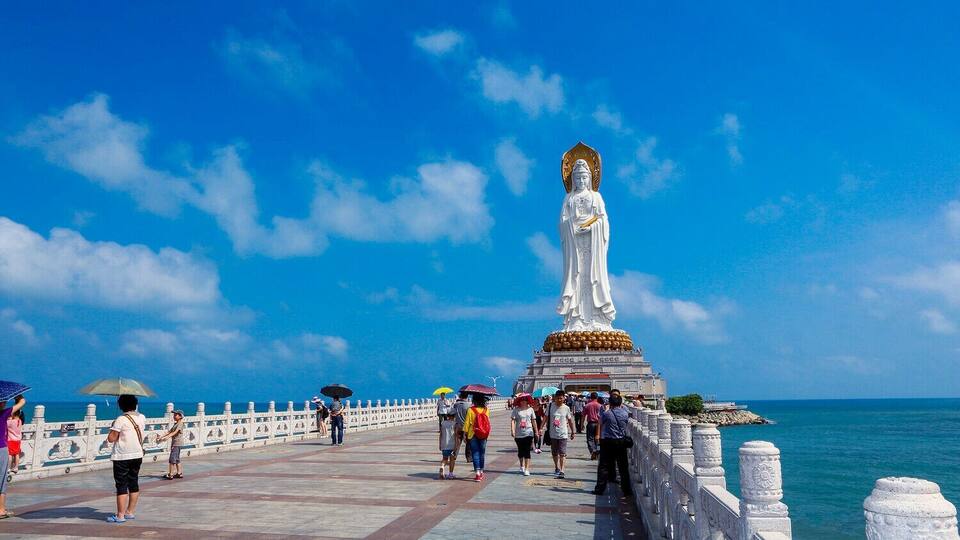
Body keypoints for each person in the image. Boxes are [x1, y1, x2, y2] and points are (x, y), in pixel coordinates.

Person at [106, 394, 146, 523]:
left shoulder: (120, 419)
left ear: (121, 405)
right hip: (137, 454)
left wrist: (112, 427)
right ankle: (130, 512)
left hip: (122, 456)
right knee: (133, 483)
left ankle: (120, 515)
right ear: (135, 404)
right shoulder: (142, 417)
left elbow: (111, 438)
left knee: (121, 485)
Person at [592, 394, 633, 497]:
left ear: (610, 403)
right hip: (621, 442)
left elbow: (600, 423)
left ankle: (600, 489)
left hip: (608, 442)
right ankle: (627, 490)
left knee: (603, 466)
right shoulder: (625, 413)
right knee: (623, 467)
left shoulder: (607, 414)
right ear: (620, 403)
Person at [0, 395, 26, 519]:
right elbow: (22, 402)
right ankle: (1, 510)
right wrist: (18, 396)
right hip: (1, 449)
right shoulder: (4, 413)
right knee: (1, 479)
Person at [462, 394, 490, 482]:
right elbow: (487, 423)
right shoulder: (486, 410)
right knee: (482, 453)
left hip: (472, 434)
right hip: (483, 434)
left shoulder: (471, 410)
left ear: (474, 400)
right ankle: (481, 471)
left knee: (475, 453)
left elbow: (467, 423)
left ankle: (477, 472)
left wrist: (464, 434)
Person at [547, 390, 575, 479]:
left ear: (564, 398)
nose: (559, 400)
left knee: (562, 453)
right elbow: (545, 417)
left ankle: (562, 470)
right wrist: (540, 429)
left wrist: (573, 431)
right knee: (554, 453)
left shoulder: (566, 408)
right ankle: (556, 467)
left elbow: (570, 420)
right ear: (555, 398)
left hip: (563, 434)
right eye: (557, 398)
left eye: (561, 398)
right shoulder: (550, 406)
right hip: (553, 433)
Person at [510, 396, 537, 476]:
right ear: (519, 401)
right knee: (520, 451)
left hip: (529, 432)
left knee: (527, 451)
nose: (523, 401)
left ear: (527, 401)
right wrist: (512, 430)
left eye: (525, 400)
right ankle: (521, 465)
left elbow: (533, 420)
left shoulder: (531, 409)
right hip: (518, 433)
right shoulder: (516, 410)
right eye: (522, 400)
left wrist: (536, 431)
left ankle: (527, 469)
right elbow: (513, 420)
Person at [156, 410, 185, 480]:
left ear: (180, 416)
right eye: (174, 415)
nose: (174, 416)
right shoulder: (176, 424)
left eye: (176, 415)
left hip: (176, 443)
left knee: (172, 459)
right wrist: (161, 436)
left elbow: (175, 432)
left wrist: (167, 437)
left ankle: (171, 474)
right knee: (177, 459)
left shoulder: (180, 423)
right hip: (177, 443)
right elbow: (169, 431)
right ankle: (179, 473)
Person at [452, 392, 472, 463]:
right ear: (467, 397)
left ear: (460, 396)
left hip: (457, 426)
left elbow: (452, 413)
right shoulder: (468, 405)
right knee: (468, 442)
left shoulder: (456, 405)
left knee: (457, 442)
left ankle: (454, 456)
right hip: (466, 426)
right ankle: (469, 458)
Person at [583, 392, 603, 460]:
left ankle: (592, 451)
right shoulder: (600, 406)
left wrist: (582, 424)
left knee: (590, 439)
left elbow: (583, 415)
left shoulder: (587, 405)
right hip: (599, 424)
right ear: (597, 397)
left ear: (590, 397)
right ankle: (597, 451)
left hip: (590, 423)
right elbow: (603, 417)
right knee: (598, 440)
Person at [438, 412, 457, 479]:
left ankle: (442, 466)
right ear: (454, 416)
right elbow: (455, 436)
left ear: (448, 416)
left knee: (445, 458)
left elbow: (441, 434)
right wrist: (456, 445)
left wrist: (440, 444)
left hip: (444, 444)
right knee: (452, 459)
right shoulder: (454, 424)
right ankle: (451, 474)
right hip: (452, 444)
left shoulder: (443, 423)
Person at [7, 408, 24, 474]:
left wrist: (9, 418)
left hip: (11, 440)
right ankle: (16, 467)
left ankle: (8, 468)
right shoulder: (20, 421)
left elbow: (5, 424)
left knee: (10, 455)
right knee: (16, 454)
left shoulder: (10, 422)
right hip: (18, 440)